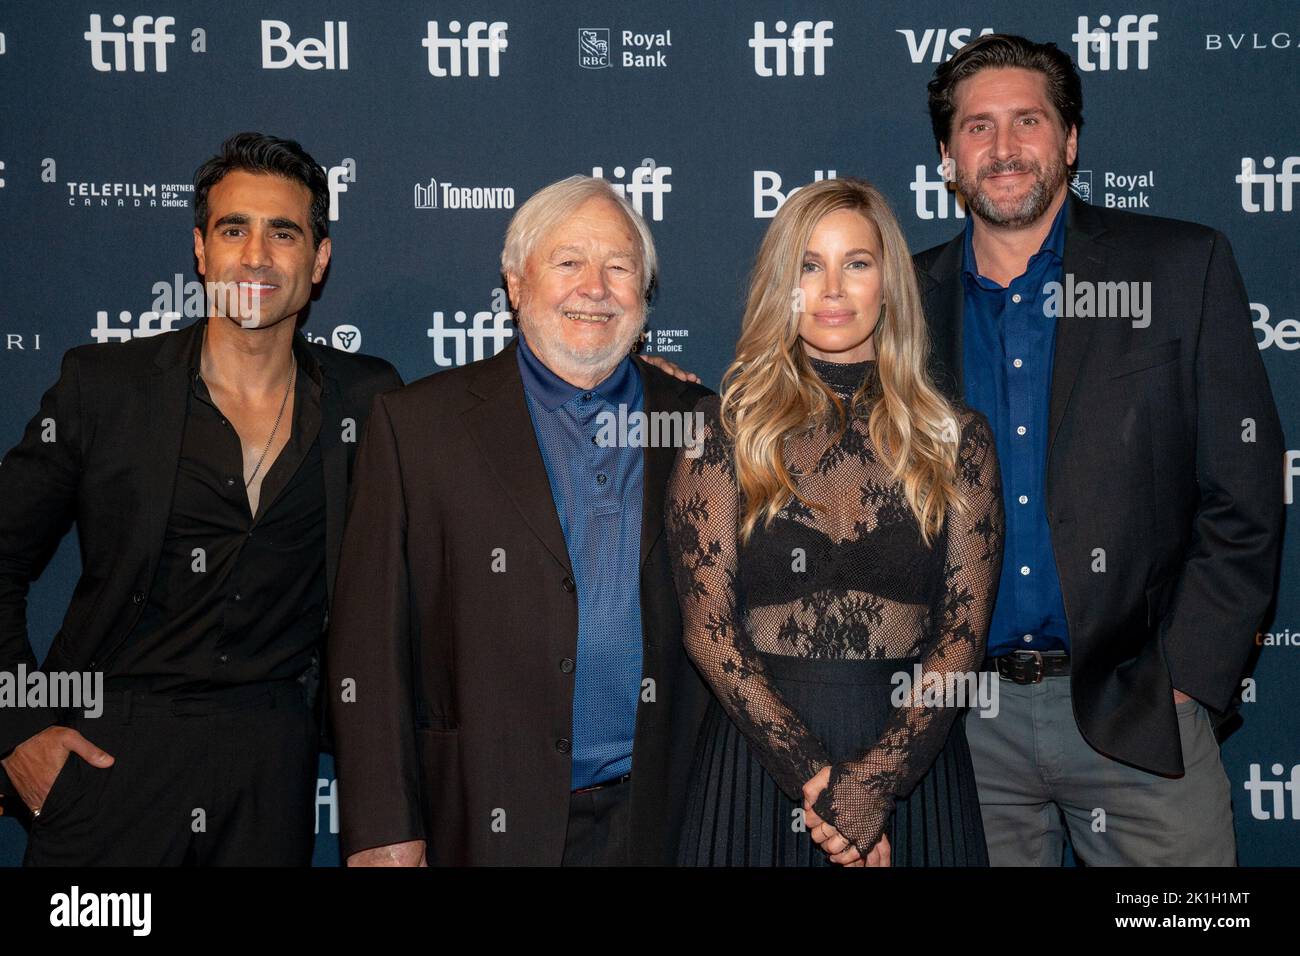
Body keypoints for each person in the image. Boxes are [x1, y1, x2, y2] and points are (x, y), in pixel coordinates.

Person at [915, 34, 1284, 865]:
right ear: (946, 154)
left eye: (1028, 122)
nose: (1004, 148)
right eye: (977, 127)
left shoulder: (1179, 268)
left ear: (1070, 140)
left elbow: (1246, 491)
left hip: (1140, 712)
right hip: (959, 733)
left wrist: (1188, 677)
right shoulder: (899, 300)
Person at [0, 132, 402, 865]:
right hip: (106, 761)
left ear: (318, 260)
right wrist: (17, 734)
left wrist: (630, 386)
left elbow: (482, 432)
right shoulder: (105, 389)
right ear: (201, 250)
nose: (256, 255)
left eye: (283, 232)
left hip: (270, 773)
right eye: (233, 229)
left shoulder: (369, 400)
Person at [327, 175, 712, 866]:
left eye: (620, 267)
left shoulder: (703, 422)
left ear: (643, 295)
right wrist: (383, 826)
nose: (594, 287)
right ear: (515, 283)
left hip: (666, 819)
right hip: (483, 815)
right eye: (568, 262)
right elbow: (366, 644)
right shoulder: (418, 427)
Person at [666, 176, 1005, 867]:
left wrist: (871, 788)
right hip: (758, 767)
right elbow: (708, 632)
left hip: (913, 765)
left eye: (856, 263)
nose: (832, 289)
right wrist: (819, 784)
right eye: (809, 266)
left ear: (889, 284)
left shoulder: (956, 440)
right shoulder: (723, 431)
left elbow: (960, 640)